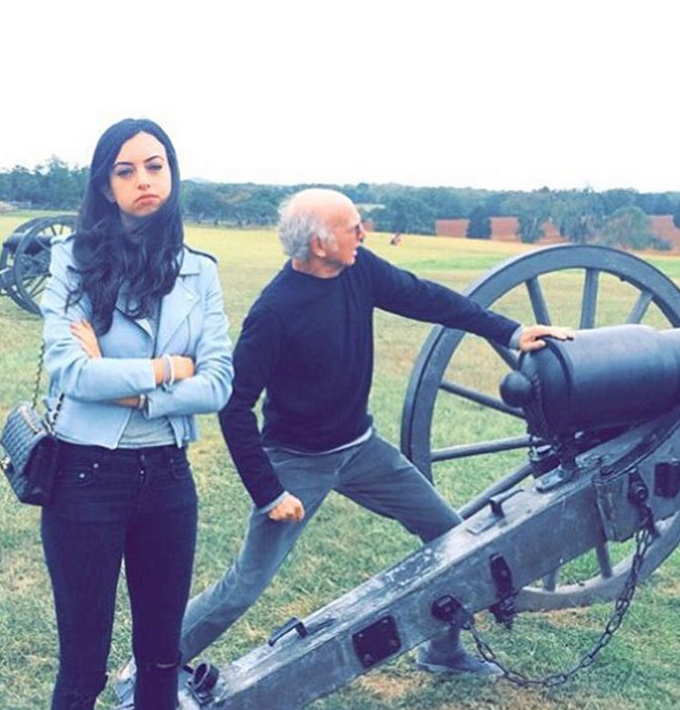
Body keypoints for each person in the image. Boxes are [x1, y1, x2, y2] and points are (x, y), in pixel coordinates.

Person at [163, 187, 572, 680]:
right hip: (297, 462)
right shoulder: (274, 313)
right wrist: (270, 493)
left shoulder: (358, 268)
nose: (364, 233)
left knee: (451, 537)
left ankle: (442, 652)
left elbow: (426, 297)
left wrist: (508, 330)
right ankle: (155, 662)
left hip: (363, 450)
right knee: (247, 582)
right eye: (352, 227)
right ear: (318, 244)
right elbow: (234, 407)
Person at [38, 118, 233, 710]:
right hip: (85, 478)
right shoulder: (72, 260)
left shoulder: (201, 270)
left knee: (161, 661)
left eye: (155, 166)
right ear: (105, 186)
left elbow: (219, 383)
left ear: (171, 174)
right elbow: (70, 373)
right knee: (83, 668)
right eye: (125, 171)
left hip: (169, 479)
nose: (143, 180)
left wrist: (129, 386)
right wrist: (172, 368)